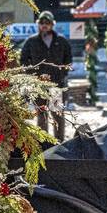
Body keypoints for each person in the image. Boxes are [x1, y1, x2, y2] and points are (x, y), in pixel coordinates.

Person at [19, 10, 73, 139]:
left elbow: (68, 60)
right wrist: (32, 75)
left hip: (56, 85)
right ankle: (44, 142)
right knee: (42, 115)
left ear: (52, 24)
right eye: (42, 22)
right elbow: (23, 60)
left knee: (57, 114)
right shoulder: (31, 42)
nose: (44, 25)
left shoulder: (61, 41)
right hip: (39, 85)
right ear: (38, 24)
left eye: (47, 23)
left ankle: (59, 141)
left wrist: (62, 73)